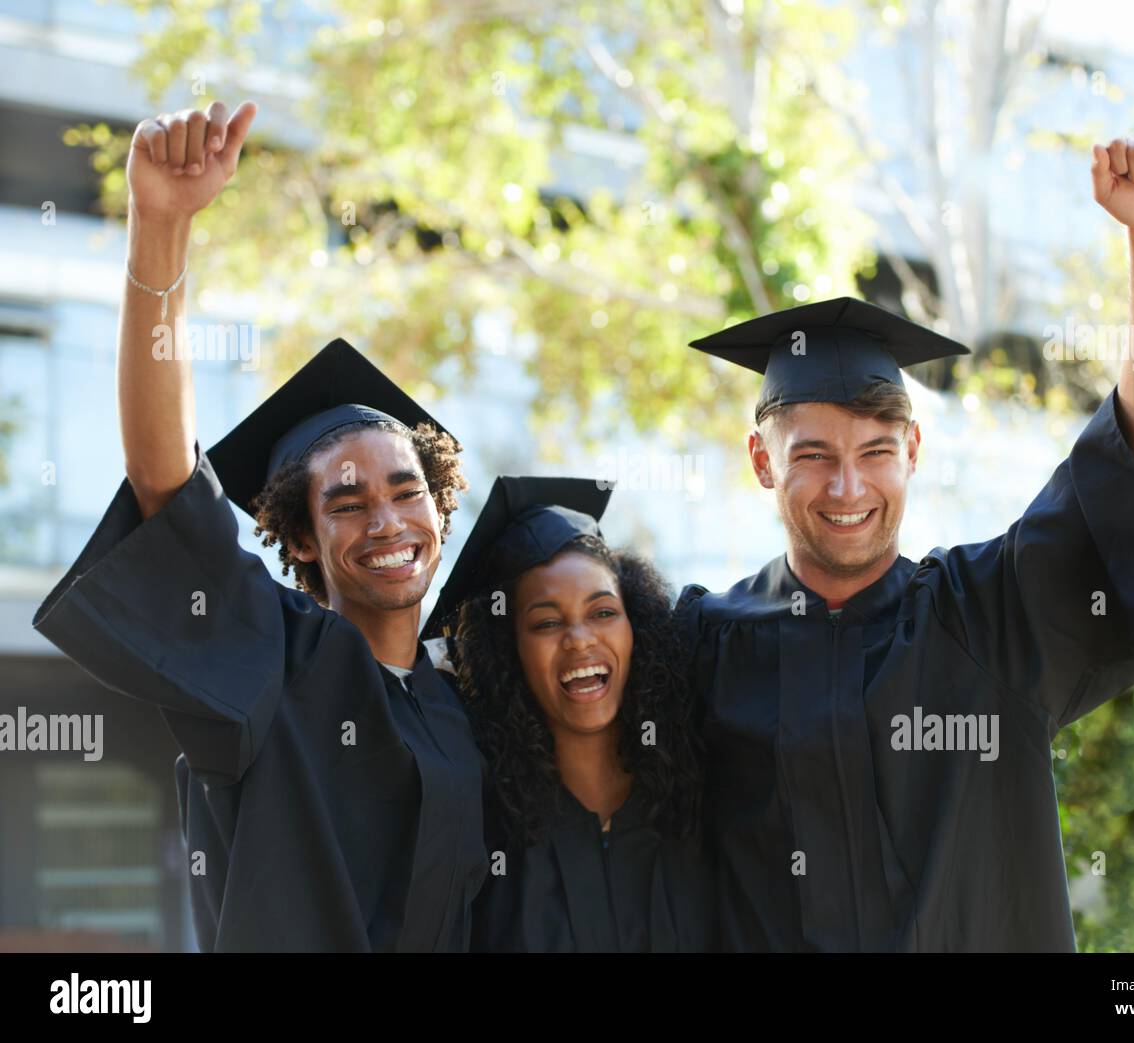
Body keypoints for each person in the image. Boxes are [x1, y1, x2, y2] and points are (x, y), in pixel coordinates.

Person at [675, 136, 1134, 951]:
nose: (848, 487)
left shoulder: (992, 615)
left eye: (876, 452)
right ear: (761, 462)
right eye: (812, 456)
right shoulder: (704, 646)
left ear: (912, 452)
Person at [32, 100, 486, 952]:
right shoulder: (272, 658)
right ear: (303, 537)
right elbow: (166, 483)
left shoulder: (459, 702)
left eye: (405, 490)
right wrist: (160, 229)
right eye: (346, 502)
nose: (385, 520)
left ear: (439, 507)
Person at [430, 477, 714, 951]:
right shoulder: (484, 840)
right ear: (508, 652)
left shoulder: (701, 806)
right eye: (546, 622)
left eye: (603, 612)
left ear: (636, 626)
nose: (580, 639)